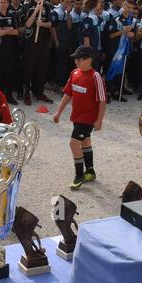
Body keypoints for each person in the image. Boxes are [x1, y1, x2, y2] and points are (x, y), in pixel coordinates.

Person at [52, 45, 105, 190]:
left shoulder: (96, 76)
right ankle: (90, 171)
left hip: (87, 119)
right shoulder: (74, 73)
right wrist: (58, 112)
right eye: (76, 59)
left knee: (73, 144)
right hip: (77, 117)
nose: (76, 62)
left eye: (80, 59)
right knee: (85, 142)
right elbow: (67, 94)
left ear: (89, 60)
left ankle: (79, 174)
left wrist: (99, 120)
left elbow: (102, 100)